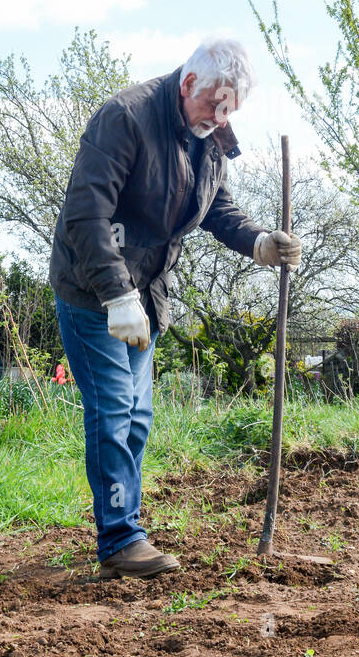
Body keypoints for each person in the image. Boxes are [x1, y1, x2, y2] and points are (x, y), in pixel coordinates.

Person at [49, 38, 302, 578]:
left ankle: (126, 526)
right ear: (188, 83)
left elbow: (215, 207)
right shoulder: (125, 118)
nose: (220, 117)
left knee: (138, 417)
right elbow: (85, 213)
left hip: (147, 296)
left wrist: (259, 242)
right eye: (214, 104)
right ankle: (120, 541)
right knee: (115, 409)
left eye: (230, 109)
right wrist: (117, 294)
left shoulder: (208, 139)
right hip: (93, 290)